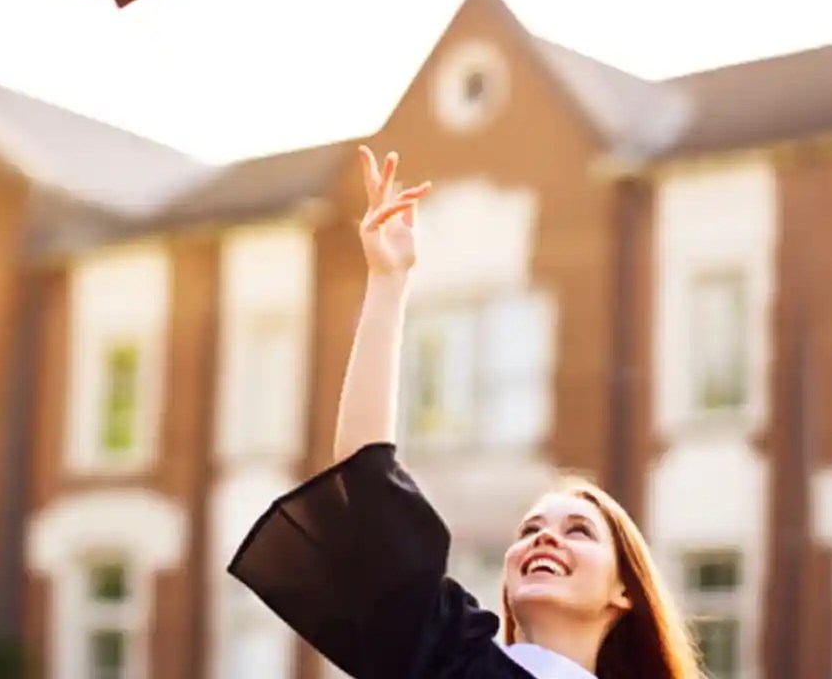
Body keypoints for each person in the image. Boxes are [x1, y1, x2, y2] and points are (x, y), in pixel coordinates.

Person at [226, 146, 703, 679]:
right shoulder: (453, 661)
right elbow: (366, 476)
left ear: (625, 591)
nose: (544, 538)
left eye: (579, 531)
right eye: (529, 530)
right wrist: (388, 282)